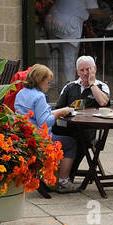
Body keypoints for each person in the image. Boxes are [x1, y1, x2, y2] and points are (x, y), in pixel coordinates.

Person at [13, 64, 81, 193]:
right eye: (47, 82)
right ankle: (63, 181)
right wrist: (60, 113)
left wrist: (58, 111)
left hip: (24, 138)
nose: (48, 85)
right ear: (40, 80)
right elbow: (45, 122)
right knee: (71, 143)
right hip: (40, 140)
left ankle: (51, 177)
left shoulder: (22, 92)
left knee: (63, 137)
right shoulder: (39, 97)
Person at [45, 0, 108, 83]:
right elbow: (93, 10)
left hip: (52, 20)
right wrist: (110, 16)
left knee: (54, 54)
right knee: (69, 57)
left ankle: (50, 82)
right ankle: (69, 85)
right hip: (68, 26)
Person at [54, 56, 110, 160]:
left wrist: (92, 84)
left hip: (88, 129)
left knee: (80, 139)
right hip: (68, 127)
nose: (85, 73)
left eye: (88, 69)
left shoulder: (101, 86)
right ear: (77, 72)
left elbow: (103, 102)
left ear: (95, 69)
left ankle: (69, 174)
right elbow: (58, 108)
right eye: (82, 70)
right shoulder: (69, 86)